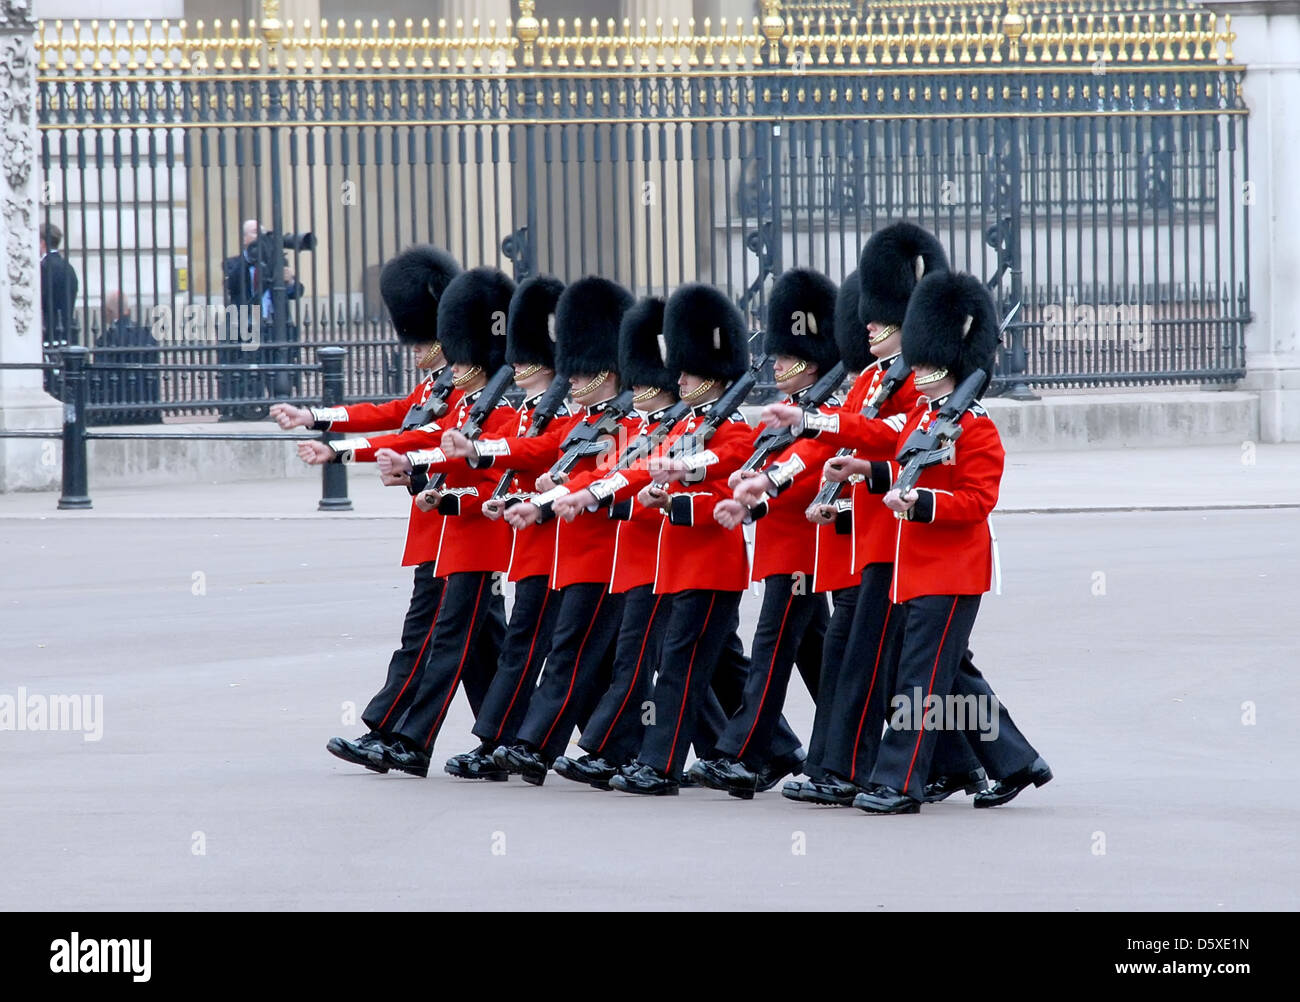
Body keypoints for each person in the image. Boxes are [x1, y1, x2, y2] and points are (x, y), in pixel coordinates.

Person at [762, 270, 1052, 814]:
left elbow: (976, 501)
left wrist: (921, 504)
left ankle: (899, 782)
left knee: (921, 681)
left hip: (951, 571)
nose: (911, 368)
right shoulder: (921, 413)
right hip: (910, 569)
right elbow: (883, 441)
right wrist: (814, 424)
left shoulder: (976, 426)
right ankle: (1011, 760)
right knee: (931, 677)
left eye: (921, 359)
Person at [276, 245, 466, 774]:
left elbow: (425, 436)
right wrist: (316, 416)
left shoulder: (468, 387)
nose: (415, 348)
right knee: (478, 645)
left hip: (459, 524)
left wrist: (342, 450)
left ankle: (397, 735)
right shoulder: (438, 380)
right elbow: (391, 412)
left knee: (431, 637)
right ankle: (509, 737)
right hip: (437, 523)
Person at [686, 267, 843, 799]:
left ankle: (741, 752)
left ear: (811, 359)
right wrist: (746, 499)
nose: (776, 364)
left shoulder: (826, 416)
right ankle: (838, 752)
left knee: (771, 651)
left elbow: (806, 467)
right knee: (820, 664)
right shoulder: (776, 420)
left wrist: (763, 483)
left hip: (803, 554)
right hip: (779, 548)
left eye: (785, 356)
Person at [361, 267, 521, 778]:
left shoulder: (506, 405)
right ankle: (511, 739)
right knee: (479, 646)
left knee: (450, 641)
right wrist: (407, 472)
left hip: (482, 537)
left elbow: (499, 474)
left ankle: (411, 738)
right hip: (453, 533)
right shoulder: (464, 399)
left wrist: (435, 486)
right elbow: (415, 436)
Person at [439, 275, 571, 781]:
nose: (514, 365)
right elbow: (515, 467)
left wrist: (483, 451)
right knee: (553, 651)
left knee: (549, 650)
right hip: (534, 542)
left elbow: (544, 454)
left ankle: (508, 742)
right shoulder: (520, 410)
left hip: (566, 544)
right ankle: (517, 743)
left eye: (523, 356)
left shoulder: (562, 413)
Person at [220, 219, 303, 416]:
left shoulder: (278, 262)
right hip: (249, 324)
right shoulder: (232, 262)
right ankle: (249, 408)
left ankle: (280, 407)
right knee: (250, 368)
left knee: (278, 366)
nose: (260, 237)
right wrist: (250, 257)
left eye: (263, 233)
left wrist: (290, 280)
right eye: (256, 233)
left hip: (276, 323)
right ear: (244, 239)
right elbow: (233, 284)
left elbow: (296, 292)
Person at [92, 291, 161, 425]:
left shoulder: (107, 339)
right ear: (128, 310)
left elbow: (100, 377)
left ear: (108, 311)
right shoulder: (147, 334)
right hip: (148, 407)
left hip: (119, 410)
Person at [40, 223, 79, 399]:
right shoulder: (68, 268)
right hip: (67, 331)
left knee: (52, 382)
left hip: (48, 332)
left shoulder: (43, 267)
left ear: (42, 243)